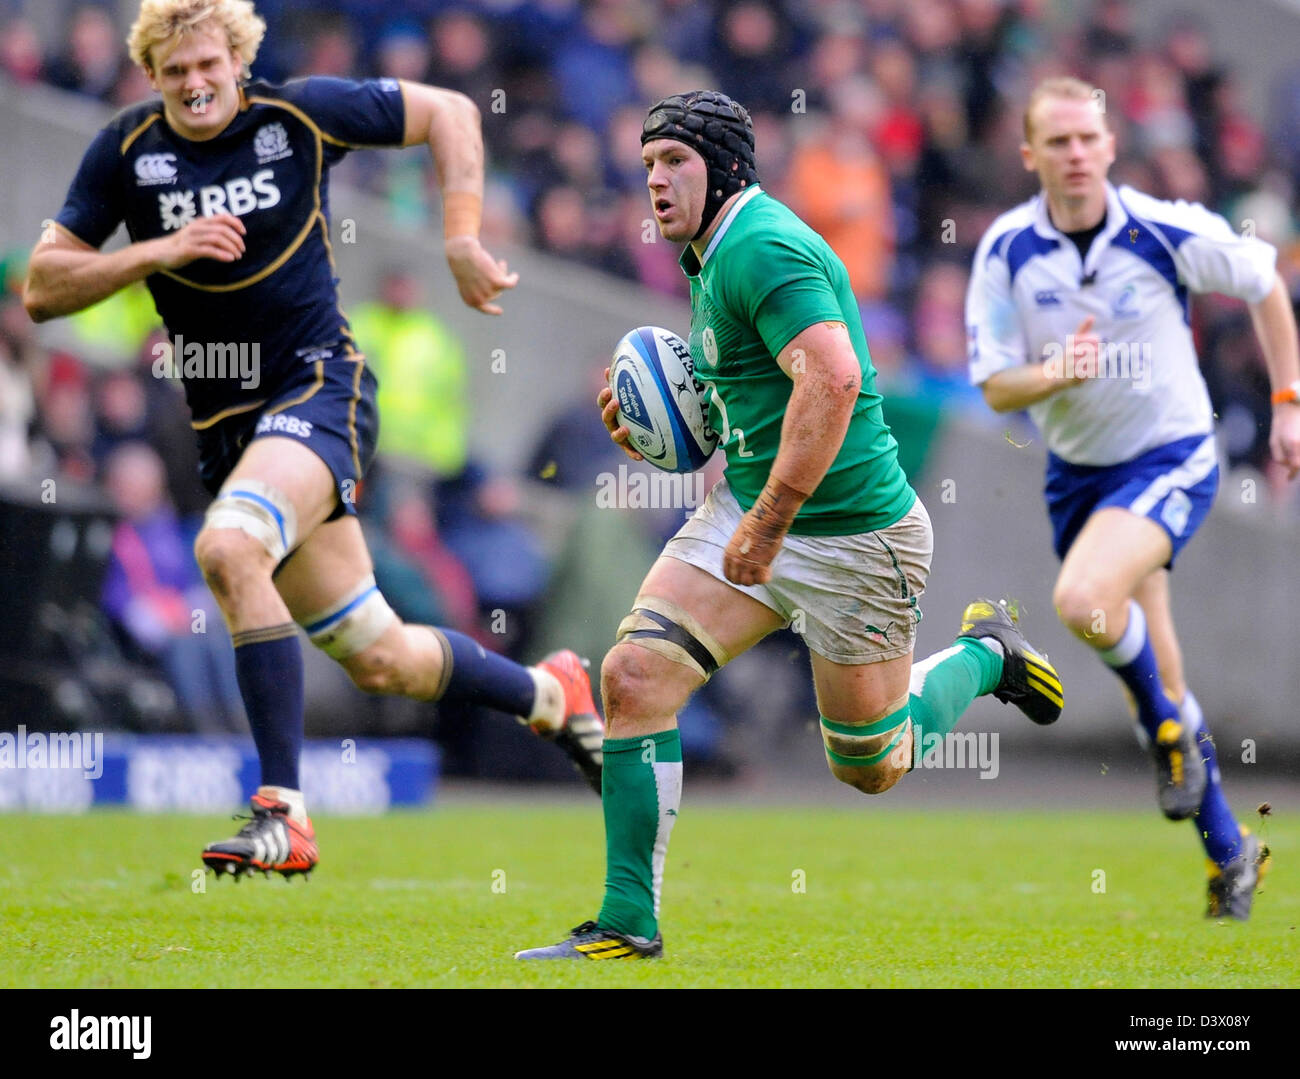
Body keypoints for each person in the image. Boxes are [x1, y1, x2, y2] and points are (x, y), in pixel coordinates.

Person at [22, 0, 604, 879]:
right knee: (380, 654)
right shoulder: (127, 151)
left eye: (207, 64)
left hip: (318, 389)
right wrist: (155, 253)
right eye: (174, 72)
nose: (194, 84)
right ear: (153, 74)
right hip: (227, 432)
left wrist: (458, 236)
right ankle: (552, 693)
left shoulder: (297, 114)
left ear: (237, 57)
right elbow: (42, 287)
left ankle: (282, 810)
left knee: (227, 544)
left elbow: (448, 111)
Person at [516, 90, 1066, 960]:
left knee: (871, 763)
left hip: (853, 535)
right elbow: (751, 395)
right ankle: (629, 920)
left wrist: (770, 523)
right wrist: (655, 431)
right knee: (633, 675)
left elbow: (835, 380)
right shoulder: (709, 255)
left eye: (675, 162)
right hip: (748, 506)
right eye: (648, 163)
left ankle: (987, 653)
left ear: (725, 166)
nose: (655, 179)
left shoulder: (763, 245)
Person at [965, 76, 1300, 920]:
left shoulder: (1161, 228)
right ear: (1030, 154)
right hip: (1078, 475)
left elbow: (1265, 282)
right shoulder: (1007, 249)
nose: (1076, 154)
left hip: (1172, 456)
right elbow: (995, 385)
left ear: (1111, 146)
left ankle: (1171, 734)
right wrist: (1055, 374)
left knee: (1083, 600)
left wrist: (1290, 404)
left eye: (1089, 139)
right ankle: (1233, 851)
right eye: (1059, 142)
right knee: (1155, 667)